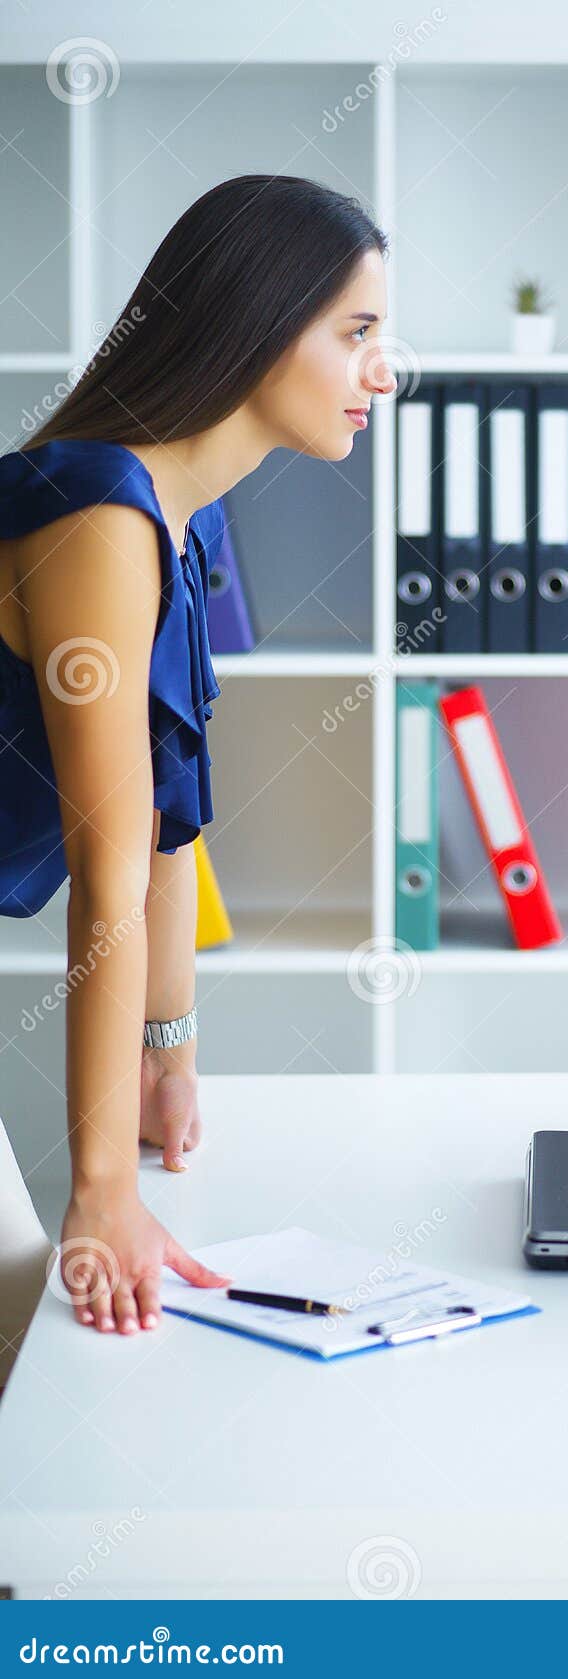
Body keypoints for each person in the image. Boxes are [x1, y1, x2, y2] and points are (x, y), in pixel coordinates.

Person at [0, 174, 395, 1372]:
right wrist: (101, 1190)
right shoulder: (97, 514)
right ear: (258, 327)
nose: (383, 373)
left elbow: (169, 820)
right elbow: (107, 868)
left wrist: (166, 1062)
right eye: (357, 333)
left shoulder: (183, 518)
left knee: (34, 1343)